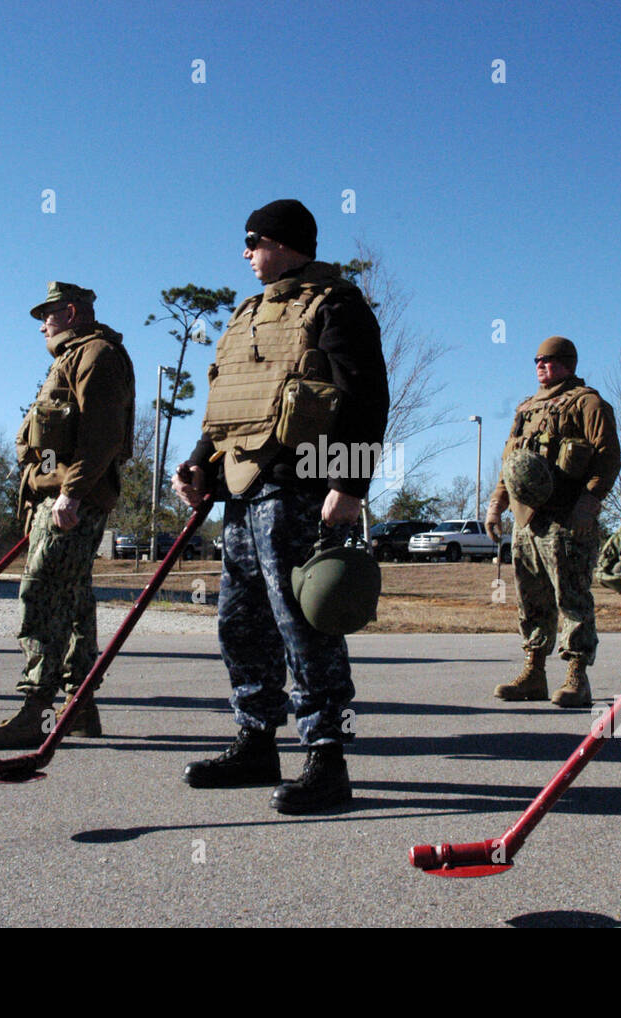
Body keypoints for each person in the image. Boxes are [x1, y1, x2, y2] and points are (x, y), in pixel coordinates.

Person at [174, 199, 389, 814]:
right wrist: (199, 466)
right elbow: (231, 404)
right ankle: (256, 740)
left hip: (302, 492)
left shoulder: (337, 305)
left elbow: (365, 400)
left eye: (253, 240)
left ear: (287, 243)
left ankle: (327, 757)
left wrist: (348, 486)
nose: (245, 253)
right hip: (242, 494)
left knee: (306, 625)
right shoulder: (248, 314)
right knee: (238, 623)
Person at [0, 282, 134, 748]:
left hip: (72, 502)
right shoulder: (69, 358)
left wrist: (72, 493)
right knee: (74, 602)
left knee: (42, 595)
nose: (41, 323)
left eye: (47, 314)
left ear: (70, 311)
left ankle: (36, 708)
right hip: (57, 499)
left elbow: (102, 436)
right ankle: (79, 707)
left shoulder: (97, 355)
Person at [486, 337, 620, 707]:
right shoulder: (526, 408)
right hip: (527, 520)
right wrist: (496, 506)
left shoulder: (587, 402)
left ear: (569, 363)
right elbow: (509, 464)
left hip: (567, 517)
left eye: (550, 360)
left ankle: (577, 675)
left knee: (572, 597)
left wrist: (588, 504)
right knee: (531, 600)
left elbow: (608, 458)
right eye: (537, 360)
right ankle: (534, 672)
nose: (541, 365)